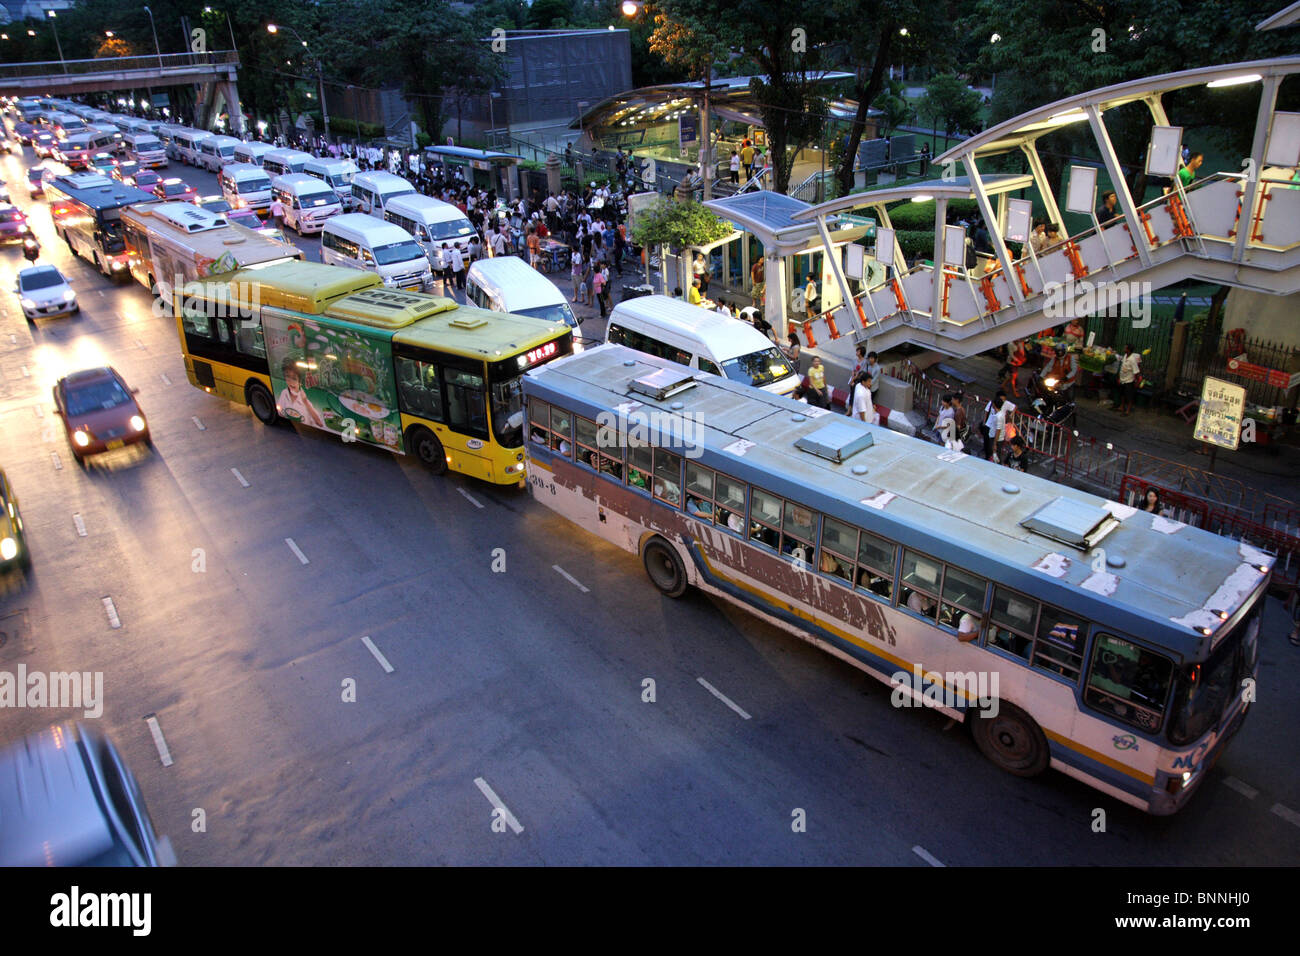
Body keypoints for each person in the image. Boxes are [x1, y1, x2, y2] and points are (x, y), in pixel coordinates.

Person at [277, 358, 325, 427]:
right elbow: (280, 412)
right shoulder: (284, 393)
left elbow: (320, 424)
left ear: (300, 381)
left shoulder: (304, 398)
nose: (291, 382)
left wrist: (305, 401)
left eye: (294, 378)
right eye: (287, 377)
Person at [1117, 343, 1141, 415]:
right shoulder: (1125, 356)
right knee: (1123, 394)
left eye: (1125, 348)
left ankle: (1128, 410)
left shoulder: (1132, 360)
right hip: (1123, 379)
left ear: (1128, 350)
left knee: (1129, 396)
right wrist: (1119, 378)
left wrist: (1138, 381)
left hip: (1129, 380)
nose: (1124, 349)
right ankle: (1122, 406)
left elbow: (1136, 372)